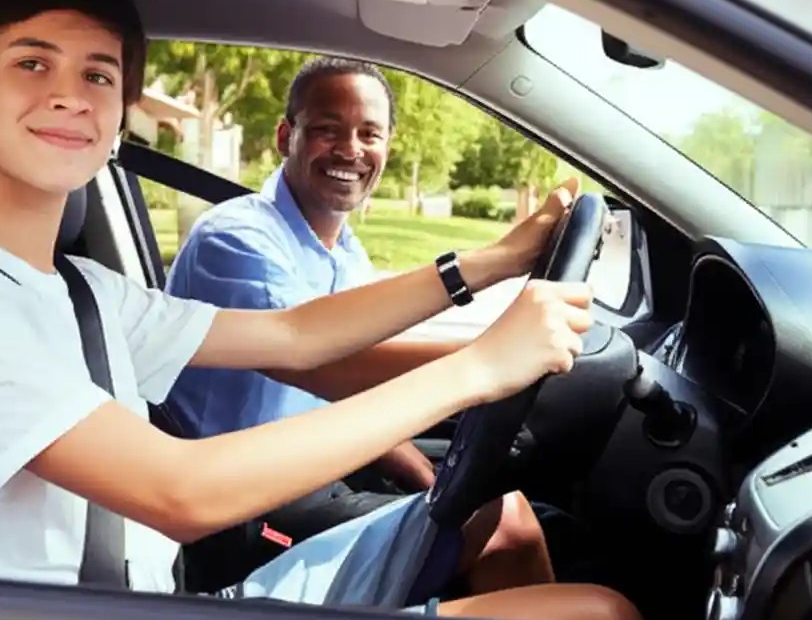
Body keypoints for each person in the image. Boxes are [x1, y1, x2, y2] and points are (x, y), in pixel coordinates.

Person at [0, 0, 643, 620]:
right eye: (30, 62)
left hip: (171, 598)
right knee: (597, 617)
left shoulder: (76, 285)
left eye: (98, 75)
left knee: (517, 543)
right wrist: (477, 369)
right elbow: (177, 491)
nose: (67, 95)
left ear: (121, 110)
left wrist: (491, 263)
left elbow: (298, 336)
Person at [164, 57, 558, 580]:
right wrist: (499, 350)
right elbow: (319, 365)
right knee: (508, 527)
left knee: (519, 485)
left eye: (368, 133)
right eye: (328, 130)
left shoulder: (347, 252)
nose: (350, 150)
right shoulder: (236, 239)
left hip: (321, 456)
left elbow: (352, 392)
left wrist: (424, 477)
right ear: (287, 137)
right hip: (247, 500)